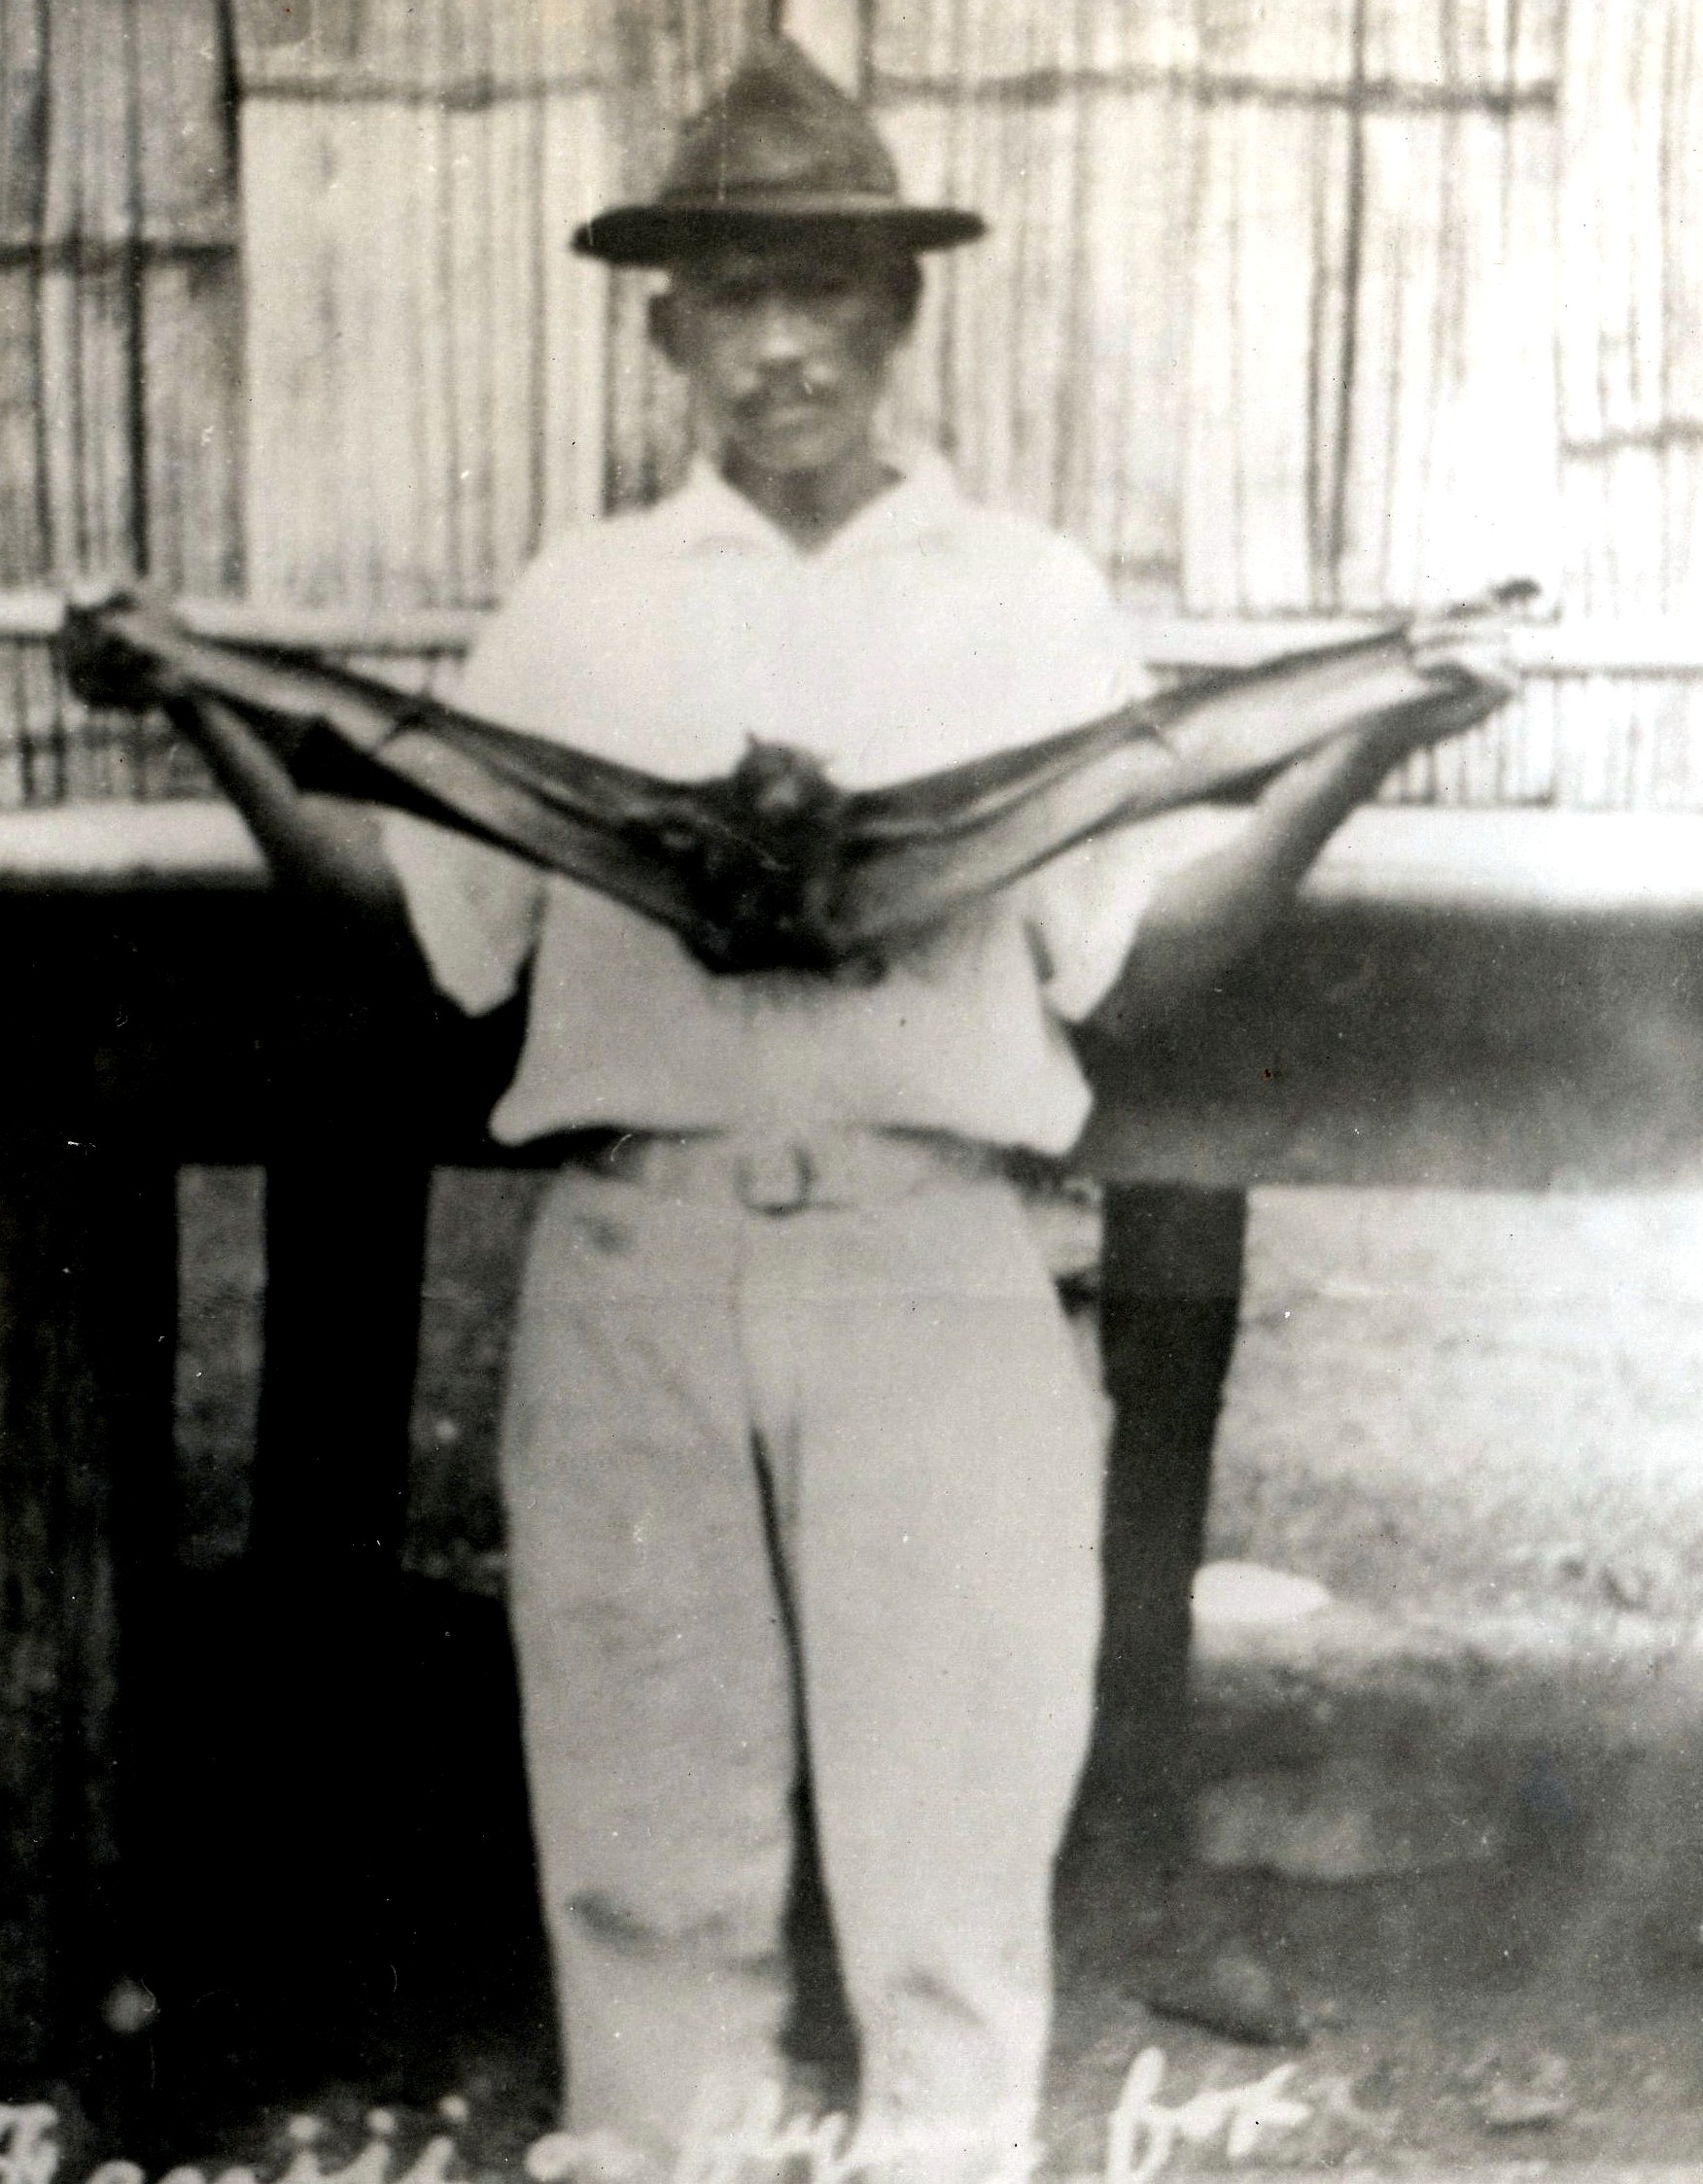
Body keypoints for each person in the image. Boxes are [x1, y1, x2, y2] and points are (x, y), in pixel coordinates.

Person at [181, 38, 1509, 2183]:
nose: (781, 344)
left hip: (931, 1256)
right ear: (667, 329)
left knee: (957, 1837)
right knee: (648, 1833)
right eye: (734, 298)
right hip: (645, 1253)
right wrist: (227, 722)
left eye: (824, 293)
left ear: (898, 317)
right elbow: (426, 923)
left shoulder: (1026, 605)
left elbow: (1134, 953)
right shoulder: (579, 610)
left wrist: (1355, 751)